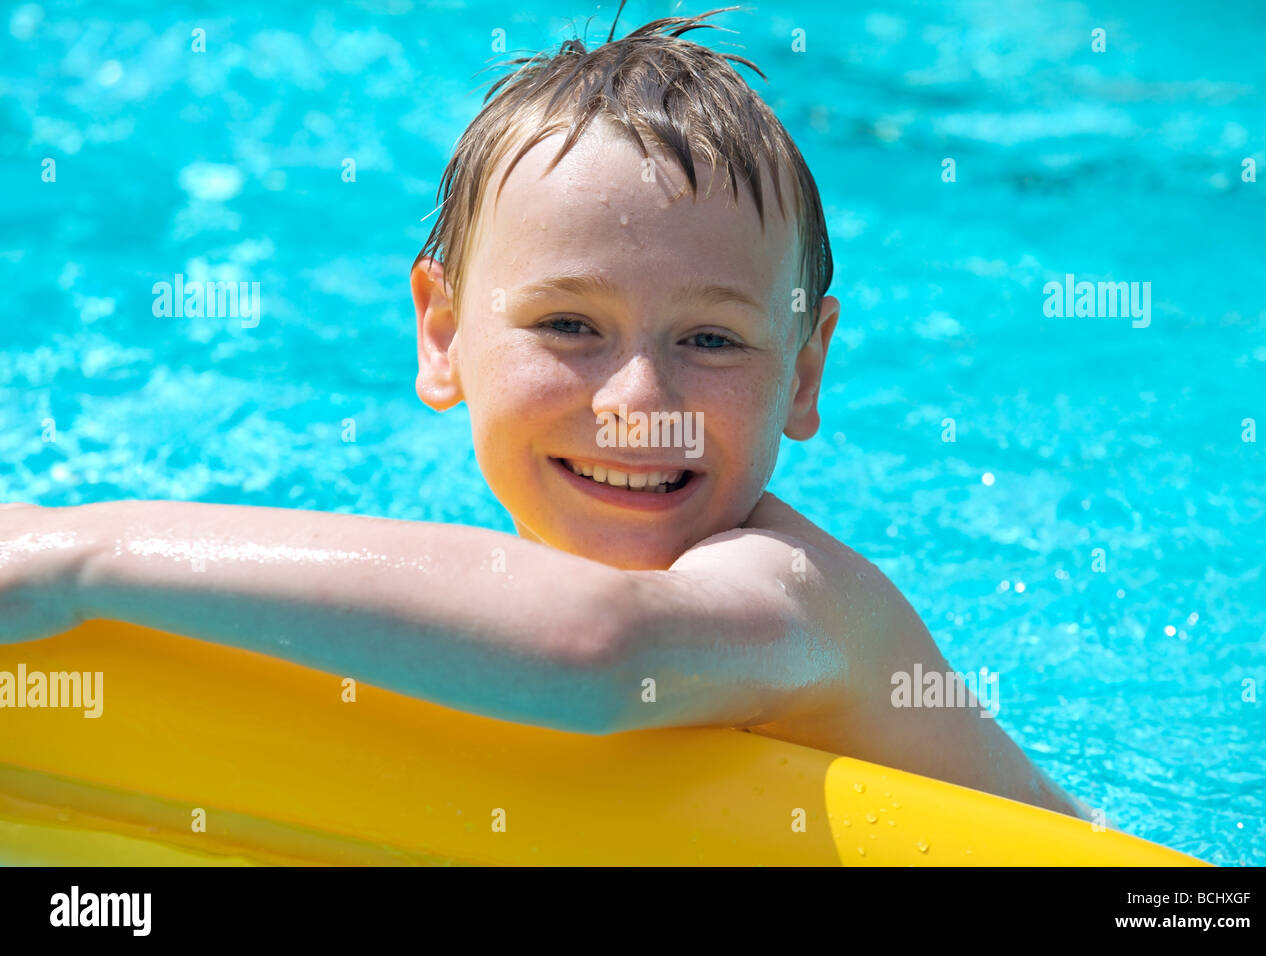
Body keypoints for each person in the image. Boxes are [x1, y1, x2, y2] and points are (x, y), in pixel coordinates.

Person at [0, 6, 1085, 819]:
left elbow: (595, 644)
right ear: (442, 334)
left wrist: (71, 551)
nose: (638, 403)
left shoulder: (796, 597)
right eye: (568, 325)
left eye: (710, 340)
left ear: (803, 375)